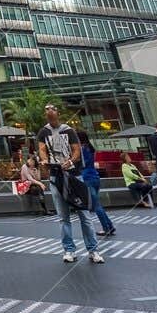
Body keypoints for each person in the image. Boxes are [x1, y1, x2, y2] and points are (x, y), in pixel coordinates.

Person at [36, 106, 103, 263]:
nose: (49, 111)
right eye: (46, 110)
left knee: (84, 215)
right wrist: (44, 160)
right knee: (63, 216)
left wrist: (71, 161)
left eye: (52, 109)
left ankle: (93, 250)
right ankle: (69, 250)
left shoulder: (69, 131)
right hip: (56, 178)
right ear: (45, 115)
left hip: (75, 177)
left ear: (57, 113)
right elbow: (42, 150)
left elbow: (77, 151)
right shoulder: (43, 132)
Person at [75, 128, 116, 237]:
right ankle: (109, 225)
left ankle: (106, 228)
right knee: (97, 204)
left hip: (87, 177)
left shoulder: (81, 149)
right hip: (95, 176)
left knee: (96, 205)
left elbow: (80, 164)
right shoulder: (90, 148)